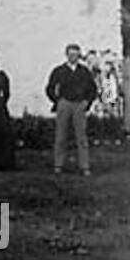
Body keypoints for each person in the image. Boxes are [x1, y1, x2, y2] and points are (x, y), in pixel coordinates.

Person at [46, 42, 98, 176]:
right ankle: (58, 165)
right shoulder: (59, 71)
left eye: (75, 54)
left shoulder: (84, 71)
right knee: (61, 136)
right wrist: (58, 101)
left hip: (79, 105)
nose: (73, 57)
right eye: (70, 54)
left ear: (78, 56)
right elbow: (50, 88)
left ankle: (84, 166)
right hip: (65, 104)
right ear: (66, 55)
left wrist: (87, 102)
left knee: (81, 136)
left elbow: (93, 89)